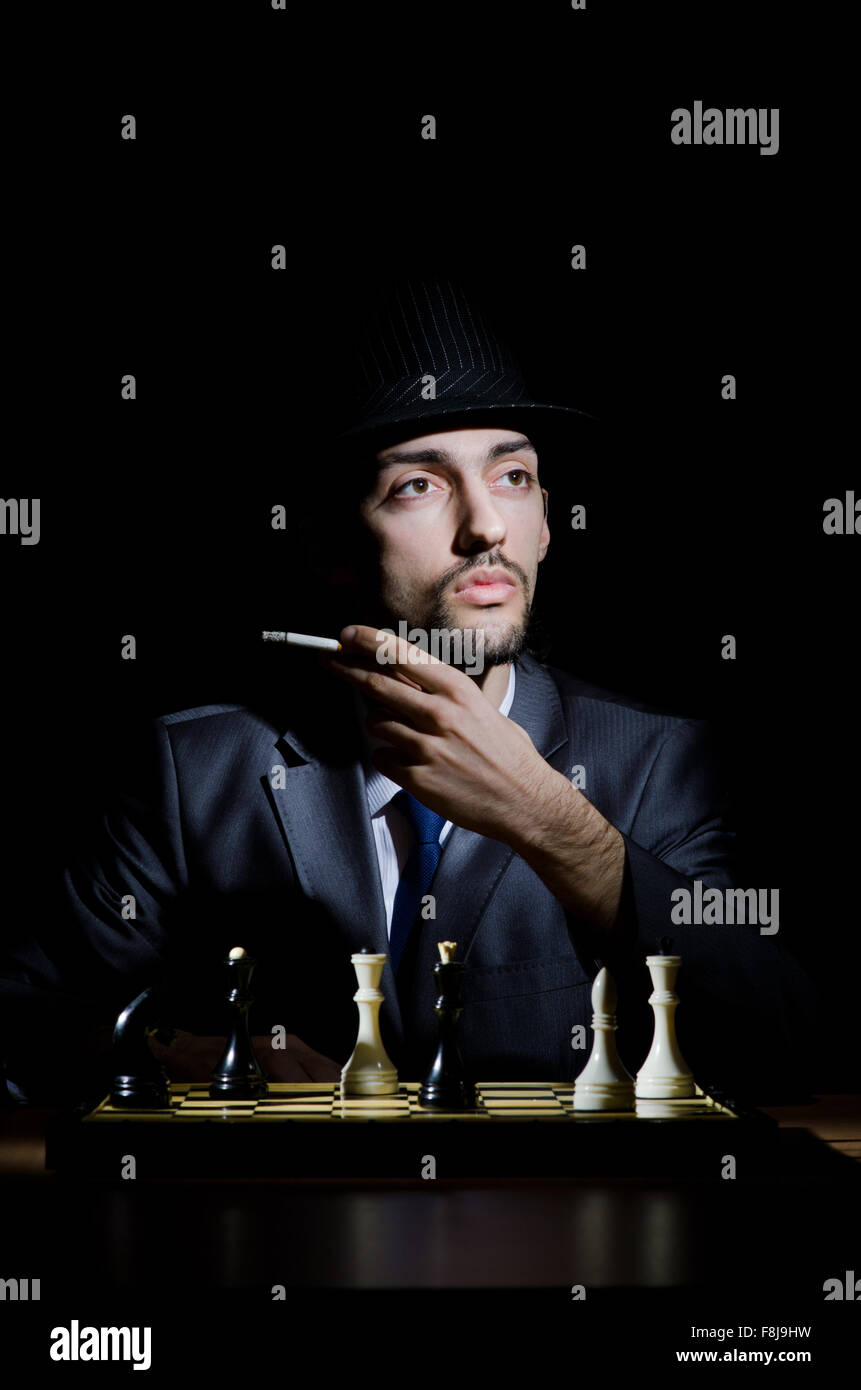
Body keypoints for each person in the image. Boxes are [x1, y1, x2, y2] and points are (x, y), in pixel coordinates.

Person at [0, 279, 811, 1102]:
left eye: (513, 477)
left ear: (545, 524)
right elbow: (27, 1019)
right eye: (418, 485)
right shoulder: (198, 769)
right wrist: (176, 1050)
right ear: (330, 547)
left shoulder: (655, 758)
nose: (485, 526)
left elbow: (783, 1041)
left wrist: (552, 822)